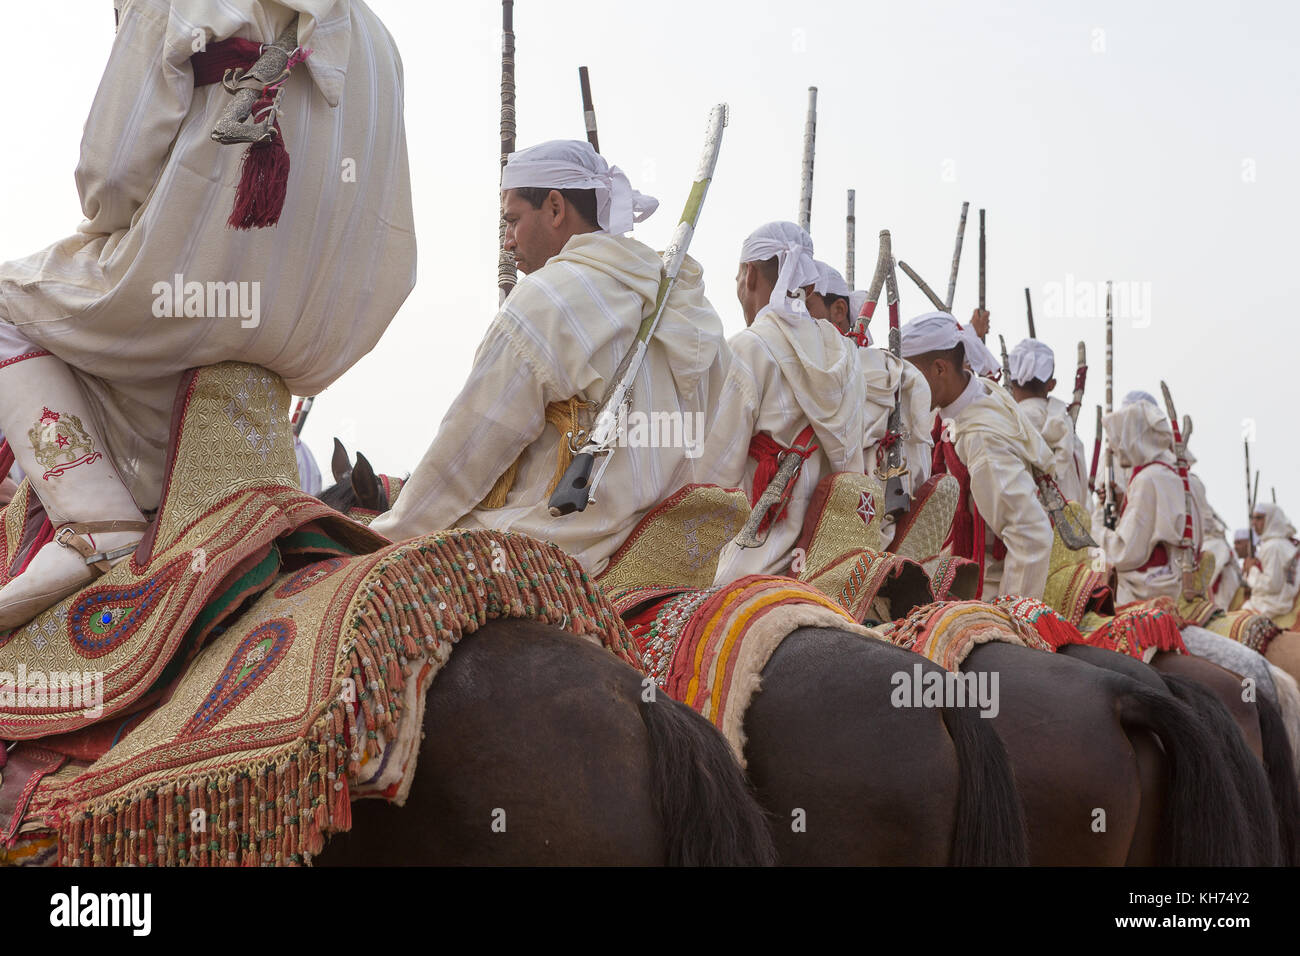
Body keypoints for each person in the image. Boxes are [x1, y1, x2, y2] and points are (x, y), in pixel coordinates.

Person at [0, 0, 415, 625]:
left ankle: (93, 519)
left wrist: (113, 236)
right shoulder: (378, 40)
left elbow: (108, 177)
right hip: (304, 336)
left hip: (180, 298)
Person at [370, 141, 727, 574]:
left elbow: (467, 450)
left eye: (513, 220)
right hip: (665, 557)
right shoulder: (690, 308)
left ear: (555, 208)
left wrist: (387, 538)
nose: (507, 241)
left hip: (551, 549)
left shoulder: (546, 297)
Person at [700, 224, 867, 582]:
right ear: (807, 287)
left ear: (751, 275)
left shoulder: (749, 347)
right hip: (828, 566)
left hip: (752, 565)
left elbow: (713, 484)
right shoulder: (849, 356)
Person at [902, 312, 1054, 600]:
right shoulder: (964, 405)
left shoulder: (982, 438)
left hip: (983, 595)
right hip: (949, 578)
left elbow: (1031, 534)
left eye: (911, 376)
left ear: (939, 369)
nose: (906, 387)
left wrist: (1008, 623)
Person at [1092, 399, 1203, 603]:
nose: (1114, 450)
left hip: (1147, 589)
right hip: (1178, 579)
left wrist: (1092, 527)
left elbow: (1125, 553)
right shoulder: (1183, 477)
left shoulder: (1148, 479)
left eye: (1119, 439)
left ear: (1133, 438)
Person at [1005, 338, 1089, 505]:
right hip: (1074, 529)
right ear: (1051, 384)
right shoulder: (1072, 436)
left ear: (1010, 381)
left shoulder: (1009, 427)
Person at [1242, 503, 1300, 620]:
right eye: (1253, 518)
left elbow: (1272, 585)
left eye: (1259, 518)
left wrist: (1251, 570)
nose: (1254, 523)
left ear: (1271, 519)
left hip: (1272, 605)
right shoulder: (1281, 543)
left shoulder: (1272, 546)